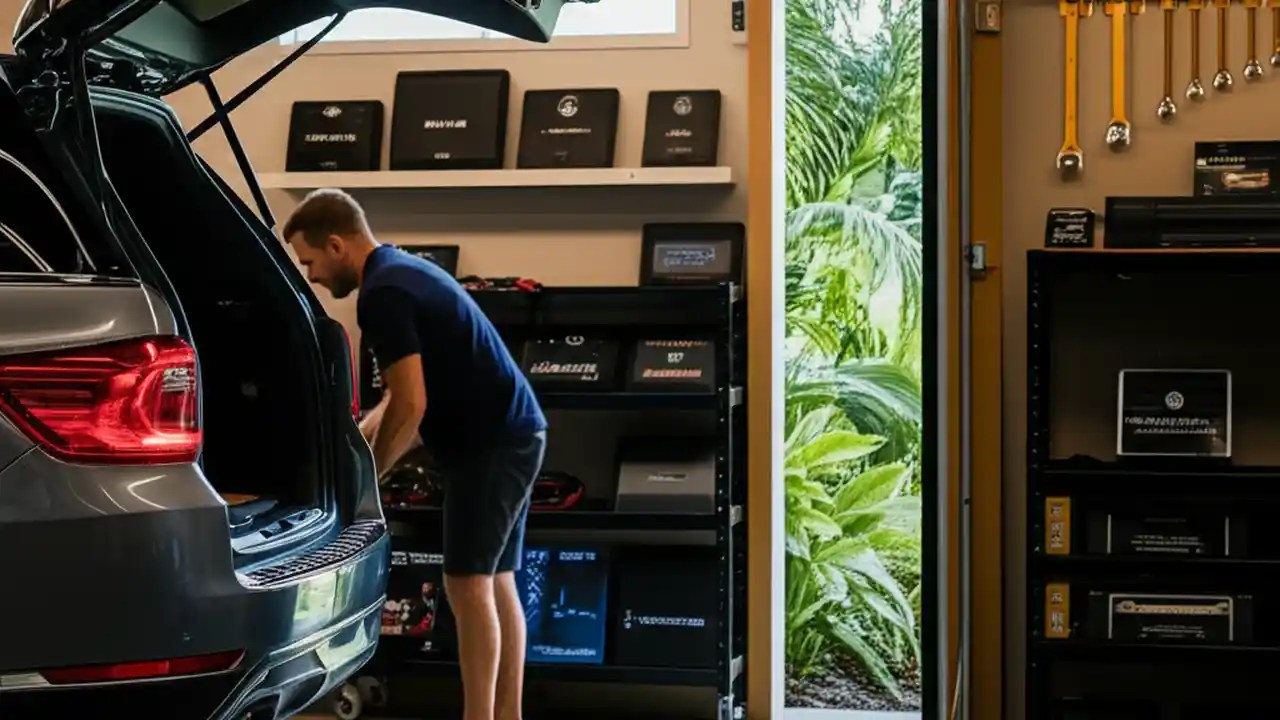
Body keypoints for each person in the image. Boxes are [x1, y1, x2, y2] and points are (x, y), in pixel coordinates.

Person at [281, 188, 546, 720]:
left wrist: (368, 479)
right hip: (515, 434)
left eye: (309, 262)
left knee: (466, 584)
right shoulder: (402, 269)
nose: (311, 276)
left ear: (336, 245)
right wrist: (355, 440)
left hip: (490, 446)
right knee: (494, 580)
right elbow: (396, 398)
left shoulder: (382, 294)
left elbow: (413, 403)